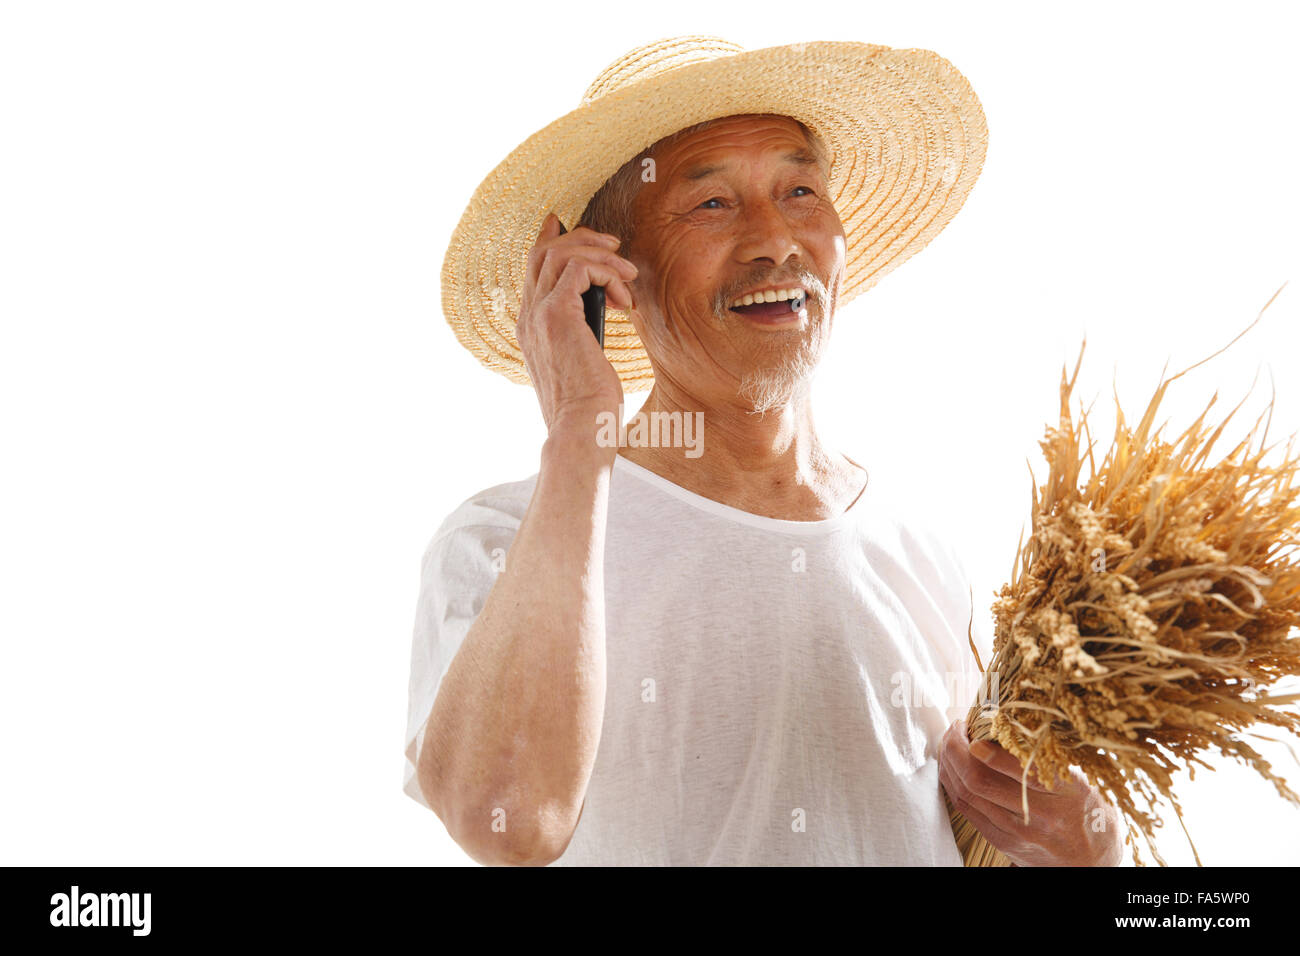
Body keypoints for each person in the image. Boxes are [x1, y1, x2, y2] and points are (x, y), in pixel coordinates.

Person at [403, 36, 1123, 866]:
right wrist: (578, 433)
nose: (774, 240)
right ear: (611, 276)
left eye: (800, 192)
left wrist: (1091, 855)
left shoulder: (919, 552)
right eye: (710, 204)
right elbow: (509, 820)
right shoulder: (503, 540)